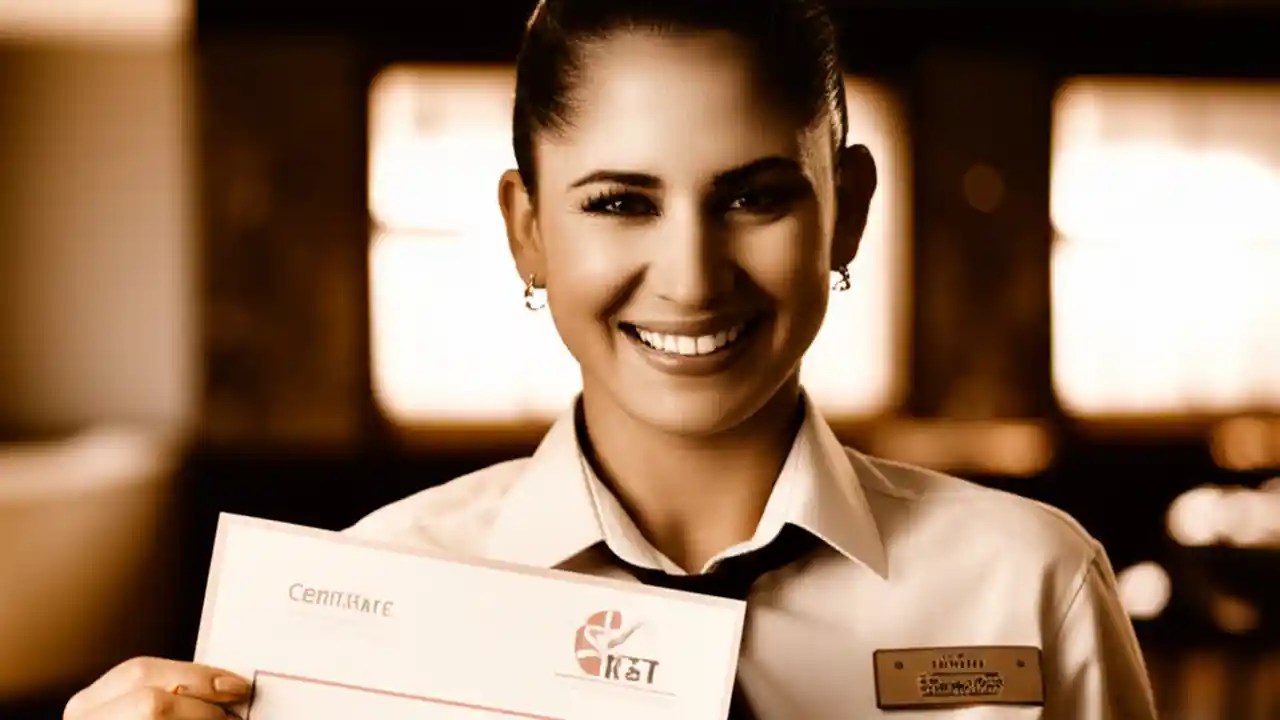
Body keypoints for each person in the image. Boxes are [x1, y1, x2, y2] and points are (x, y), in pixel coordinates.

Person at [63, 0, 1160, 718]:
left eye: (752, 197)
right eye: (620, 203)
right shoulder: (356, 610)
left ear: (848, 212)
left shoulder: (1031, 583)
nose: (689, 274)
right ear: (527, 228)